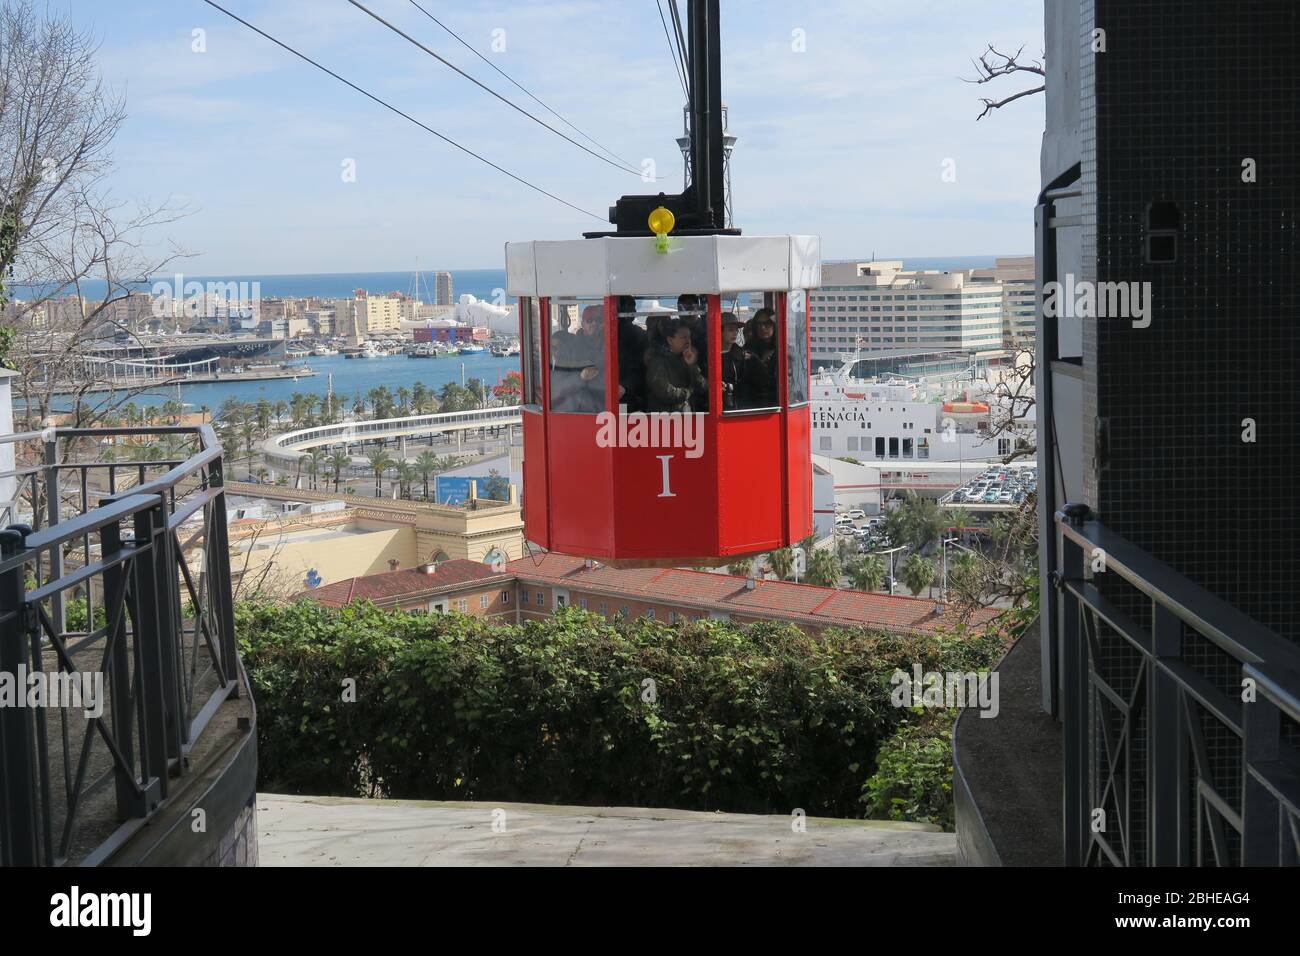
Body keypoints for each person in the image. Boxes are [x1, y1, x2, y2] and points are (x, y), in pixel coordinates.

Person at [644, 318, 706, 413]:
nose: (688, 341)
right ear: (670, 340)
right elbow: (664, 391)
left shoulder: (688, 357)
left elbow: (702, 386)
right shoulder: (657, 362)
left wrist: (692, 366)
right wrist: (688, 392)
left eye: (689, 337)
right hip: (664, 418)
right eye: (683, 337)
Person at [742, 308, 779, 408]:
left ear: (775, 325)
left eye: (767, 323)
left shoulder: (782, 350)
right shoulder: (748, 348)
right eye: (759, 324)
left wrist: (756, 362)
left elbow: (780, 384)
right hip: (750, 405)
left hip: (774, 406)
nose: (763, 328)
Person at [616, 295, 647, 412]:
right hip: (631, 390)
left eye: (633, 307)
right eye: (629, 307)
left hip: (630, 390)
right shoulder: (638, 334)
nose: (633, 311)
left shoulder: (638, 334)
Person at [719, 313, 747, 411]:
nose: (735, 333)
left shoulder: (741, 354)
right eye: (731, 330)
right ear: (719, 331)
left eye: (736, 330)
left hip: (736, 405)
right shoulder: (709, 354)